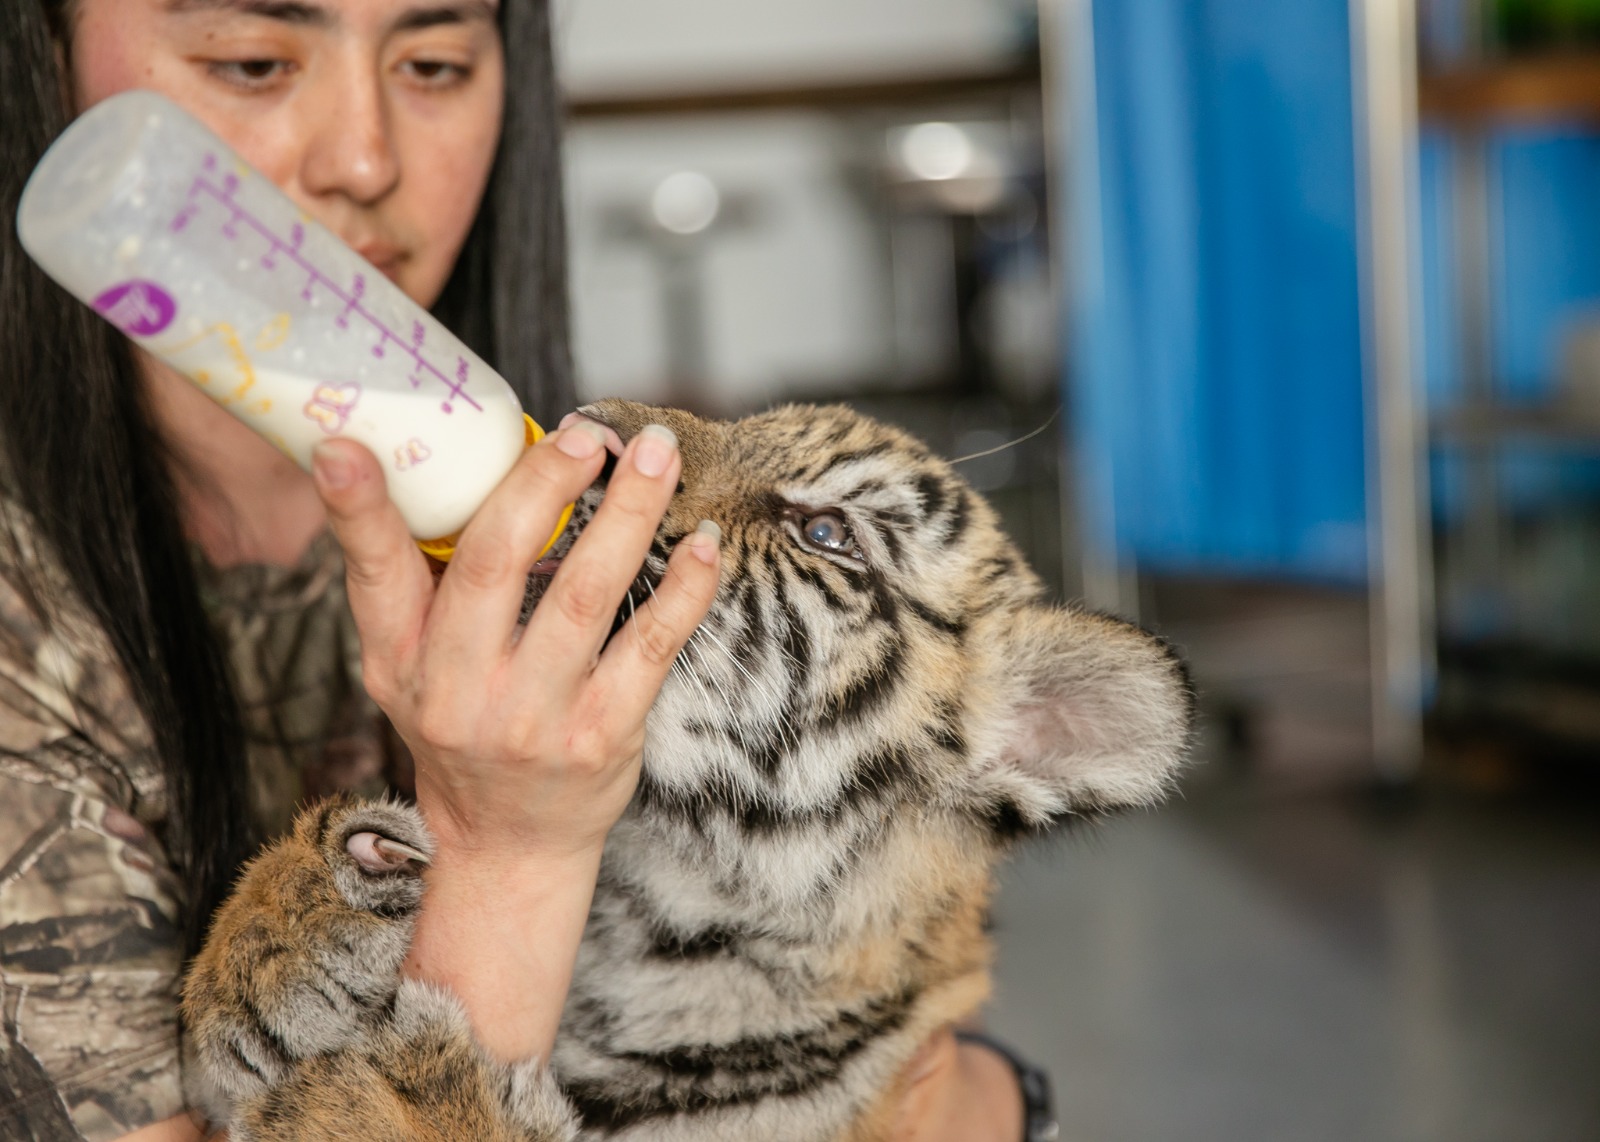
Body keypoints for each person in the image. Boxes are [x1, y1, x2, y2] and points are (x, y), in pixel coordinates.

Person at [0, 2, 1035, 1140]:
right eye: (253, 62)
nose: (363, 158)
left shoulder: (534, 498)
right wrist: (507, 852)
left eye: (435, 63)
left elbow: (940, 1058)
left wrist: (977, 1096)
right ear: (46, 55)